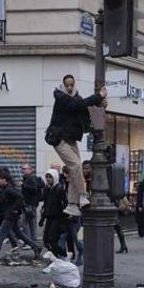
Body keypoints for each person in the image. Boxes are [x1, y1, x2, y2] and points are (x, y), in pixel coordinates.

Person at [47, 74, 106, 217]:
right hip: (59, 139)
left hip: (71, 139)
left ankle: (72, 205)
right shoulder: (60, 97)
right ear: (63, 85)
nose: (69, 87)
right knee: (76, 165)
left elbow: (85, 115)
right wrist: (98, 96)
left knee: (76, 169)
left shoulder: (78, 99)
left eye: (71, 85)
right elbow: (77, 105)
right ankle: (82, 195)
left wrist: (100, 106)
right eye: (66, 85)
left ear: (74, 85)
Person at [40, 168, 66, 256]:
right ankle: (58, 254)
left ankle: (60, 254)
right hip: (49, 217)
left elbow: (63, 204)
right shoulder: (47, 189)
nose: (48, 179)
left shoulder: (59, 189)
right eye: (47, 177)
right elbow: (46, 204)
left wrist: (63, 219)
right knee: (46, 239)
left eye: (50, 177)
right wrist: (42, 218)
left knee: (52, 239)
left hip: (57, 218)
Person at [20, 163, 44, 242]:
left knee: (23, 222)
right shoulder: (27, 178)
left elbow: (34, 189)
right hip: (30, 204)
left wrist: (23, 185)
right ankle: (33, 240)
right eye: (22, 169)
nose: (23, 170)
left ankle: (28, 240)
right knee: (31, 222)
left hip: (30, 204)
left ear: (30, 169)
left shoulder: (32, 178)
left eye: (25, 169)